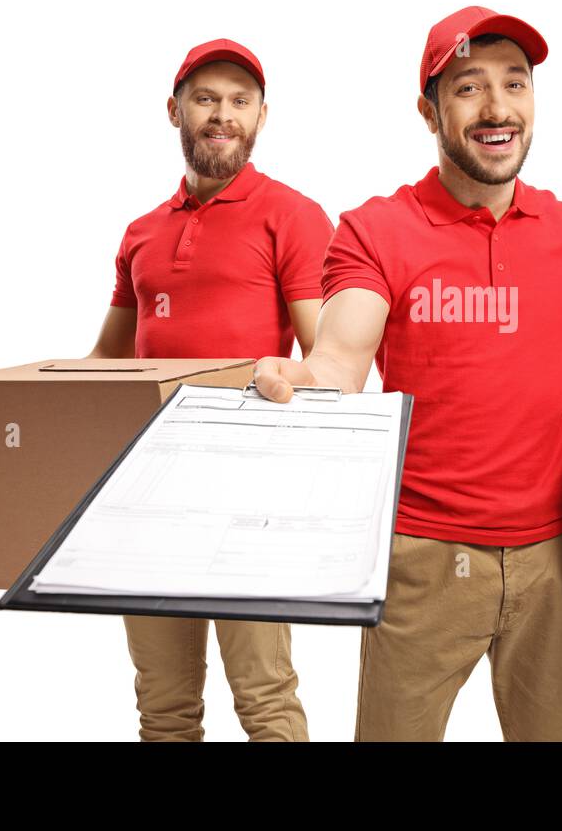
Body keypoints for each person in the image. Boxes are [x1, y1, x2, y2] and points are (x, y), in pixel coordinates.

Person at [253, 7, 562, 741]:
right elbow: (342, 360)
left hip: (556, 560)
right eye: (470, 87)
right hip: (422, 558)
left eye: (516, 83)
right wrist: (303, 384)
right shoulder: (376, 230)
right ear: (430, 110)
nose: (499, 108)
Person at [88, 38, 333, 741]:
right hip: (145, 492)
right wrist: (35, 403)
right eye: (205, 99)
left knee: (264, 698)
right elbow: (109, 355)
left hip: (248, 495)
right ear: (175, 111)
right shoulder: (141, 233)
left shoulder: (292, 215)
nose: (222, 115)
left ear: (260, 117)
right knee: (163, 706)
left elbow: (326, 359)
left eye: (239, 101)